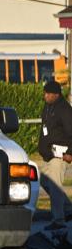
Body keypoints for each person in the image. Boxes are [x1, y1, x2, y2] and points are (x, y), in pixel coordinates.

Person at [38, 80, 72, 230]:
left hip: (61, 155)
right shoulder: (48, 107)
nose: (45, 95)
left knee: (54, 185)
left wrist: (70, 152)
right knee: (43, 180)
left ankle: (58, 221)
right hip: (49, 156)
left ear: (55, 95)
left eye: (47, 93)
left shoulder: (65, 109)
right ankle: (68, 209)